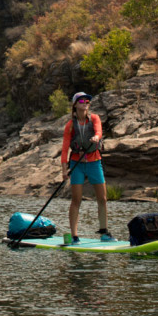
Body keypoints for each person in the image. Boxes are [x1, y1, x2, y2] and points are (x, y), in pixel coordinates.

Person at [61, 91, 113, 244]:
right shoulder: (70, 126)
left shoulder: (95, 118)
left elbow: (98, 131)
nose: (85, 103)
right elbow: (65, 150)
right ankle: (75, 236)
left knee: (102, 198)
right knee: (76, 200)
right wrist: (64, 171)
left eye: (87, 101)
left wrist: (96, 137)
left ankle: (104, 232)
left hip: (94, 162)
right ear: (75, 105)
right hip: (77, 164)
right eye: (81, 101)